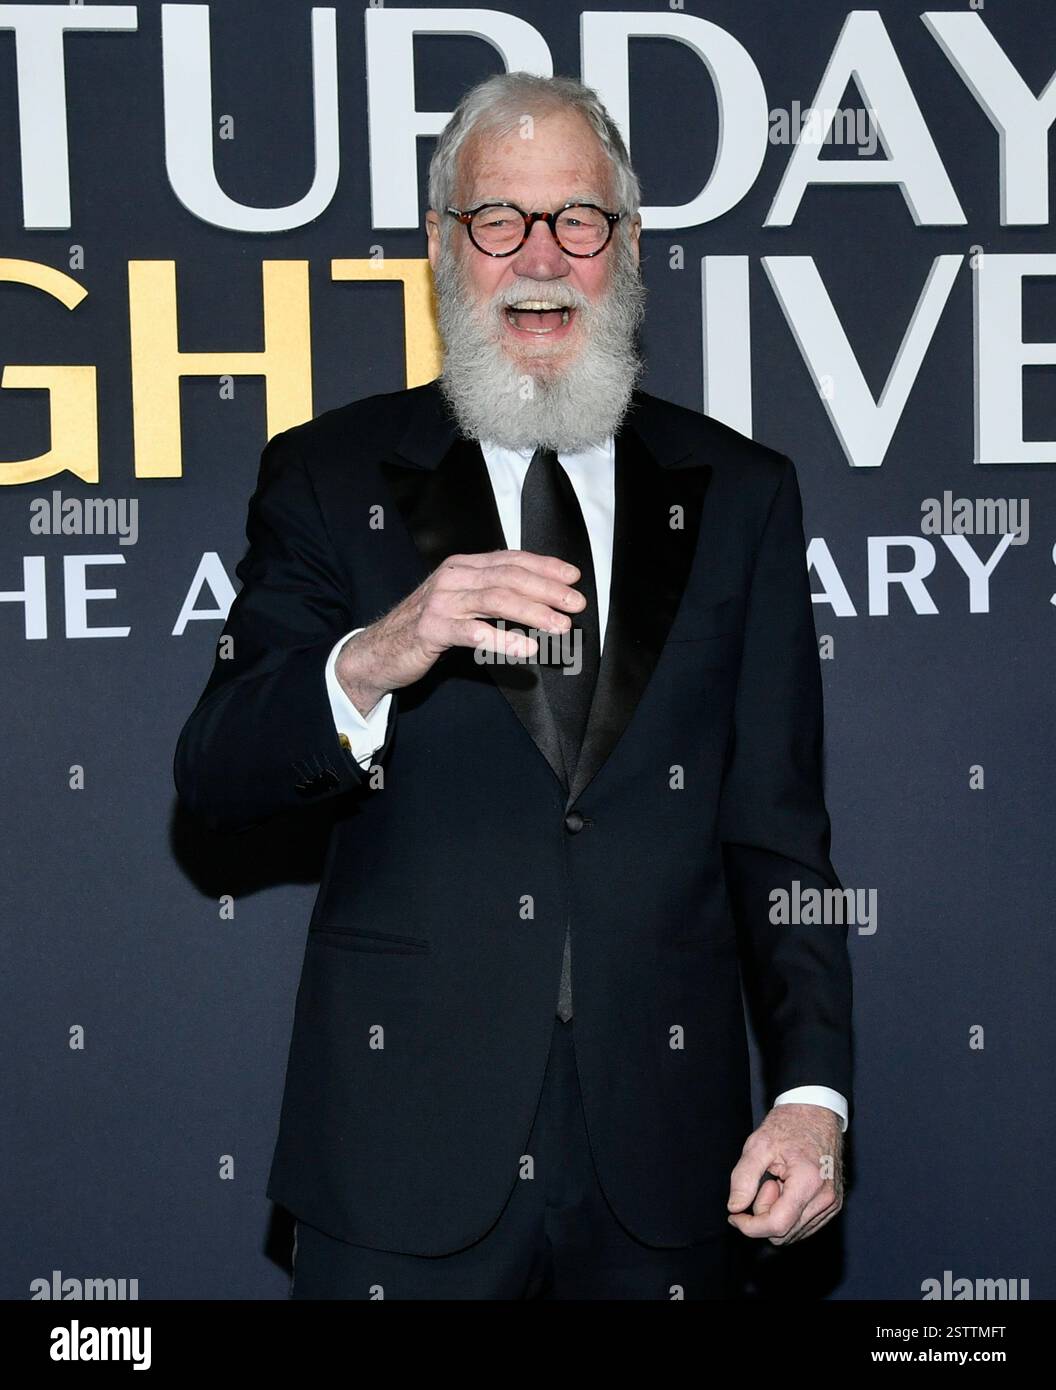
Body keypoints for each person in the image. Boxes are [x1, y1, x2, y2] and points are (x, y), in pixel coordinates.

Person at [174, 71, 852, 1300]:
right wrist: (376, 654)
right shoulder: (329, 477)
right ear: (444, 247)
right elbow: (216, 770)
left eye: (577, 220)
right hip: (397, 1161)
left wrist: (810, 1094)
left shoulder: (744, 493)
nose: (539, 258)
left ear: (628, 245)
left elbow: (782, 842)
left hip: (673, 1163)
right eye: (498, 221)